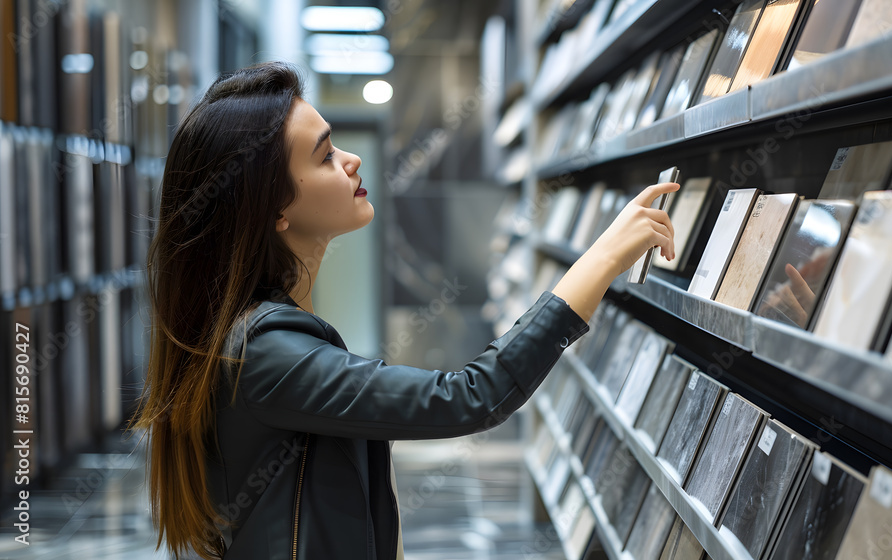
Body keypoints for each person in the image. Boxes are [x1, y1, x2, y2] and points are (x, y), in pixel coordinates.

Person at [130, 61, 678, 560]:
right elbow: (470, 398)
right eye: (324, 156)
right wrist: (602, 258)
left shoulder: (261, 334)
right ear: (273, 209)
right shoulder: (264, 351)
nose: (351, 160)